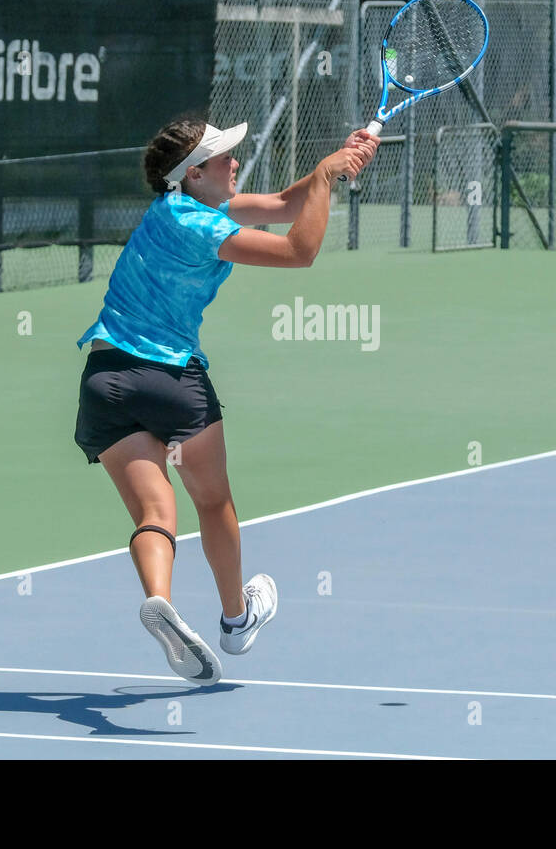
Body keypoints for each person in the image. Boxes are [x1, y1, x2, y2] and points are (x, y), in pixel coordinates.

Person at [74, 114, 379, 685]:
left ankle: (158, 601)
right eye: (222, 159)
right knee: (213, 504)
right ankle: (236, 620)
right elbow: (299, 250)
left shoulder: (182, 210)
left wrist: (330, 170)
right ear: (193, 175)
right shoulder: (199, 226)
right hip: (172, 384)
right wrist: (323, 179)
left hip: (107, 381)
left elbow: (288, 204)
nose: (234, 162)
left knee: (155, 513)